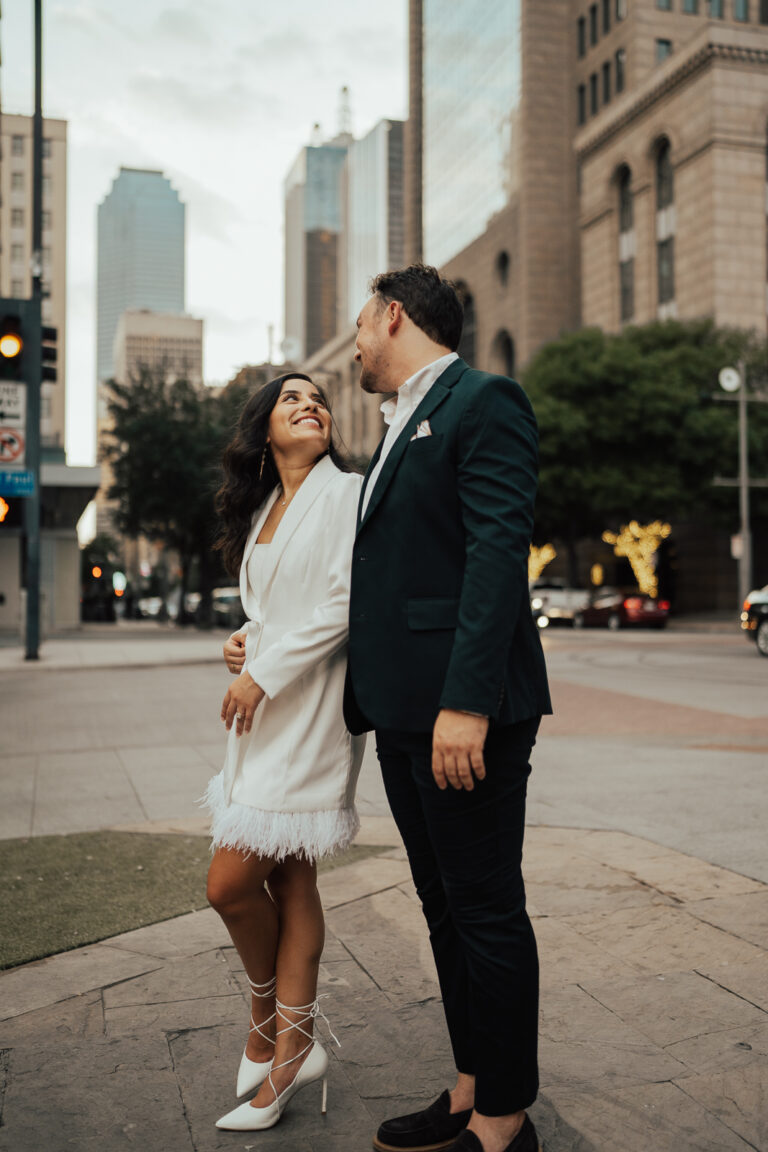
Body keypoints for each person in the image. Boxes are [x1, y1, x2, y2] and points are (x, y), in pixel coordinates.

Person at [345, 266, 551, 1152]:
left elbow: (498, 554)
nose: (355, 341)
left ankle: (506, 1121)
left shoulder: (484, 401)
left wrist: (466, 703)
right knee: (442, 905)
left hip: (462, 714)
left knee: (484, 905)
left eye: (360, 324)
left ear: (395, 317)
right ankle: (470, 1085)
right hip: (400, 711)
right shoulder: (394, 426)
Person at [202, 372, 365, 1132]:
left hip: (308, 712)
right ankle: (292, 1043)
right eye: (292, 399)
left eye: (319, 399)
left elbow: (341, 604)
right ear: (264, 428)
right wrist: (244, 640)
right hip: (264, 714)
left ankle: (273, 1025)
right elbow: (273, 603)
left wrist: (262, 674)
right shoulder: (268, 503)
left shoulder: (346, 494)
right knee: (292, 880)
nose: (311, 406)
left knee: (229, 884)